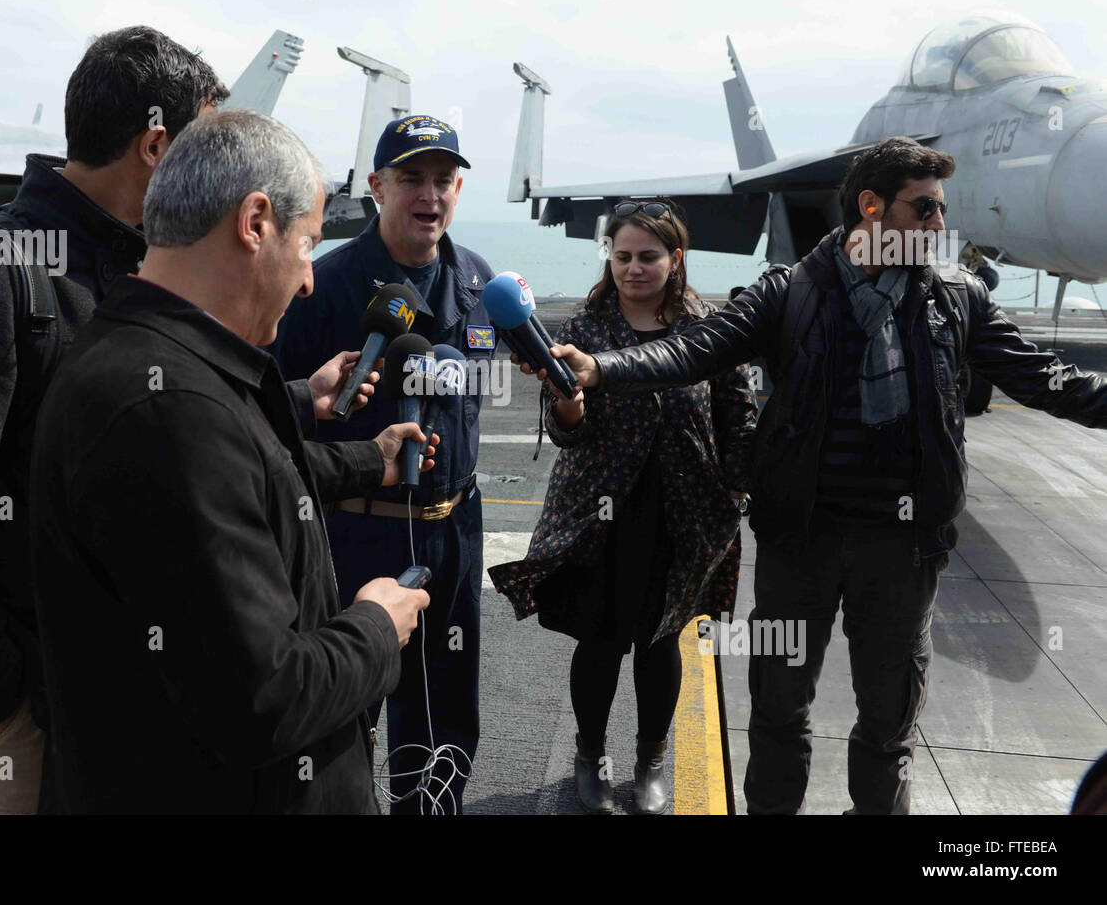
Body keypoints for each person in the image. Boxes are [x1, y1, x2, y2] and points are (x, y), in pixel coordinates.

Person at [0, 27, 372, 815]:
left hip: (109, 692)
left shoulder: (118, 267)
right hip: (25, 704)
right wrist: (2, 693)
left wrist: (299, 401)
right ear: (157, 144)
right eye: (204, 140)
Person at [523, 136, 1107, 814]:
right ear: (871, 208)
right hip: (800, 545)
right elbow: (697, 348)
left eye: (940, 209)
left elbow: (1045, 378)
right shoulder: (791, 291)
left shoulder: (958, 297)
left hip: (902, 552)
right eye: (925, 210)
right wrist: (606, 368)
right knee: (777, 717)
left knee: (889, 727)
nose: (940, 227)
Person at [29, 109, 437, 814]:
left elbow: (258, 477)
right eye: (307, 242)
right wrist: (376, 625)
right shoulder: (168, 408)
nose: (309, 279)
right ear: (255, 223)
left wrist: (371, 460)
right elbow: (264, 699)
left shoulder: (153, 361)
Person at [490, 200, 755, 814]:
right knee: (601, 640)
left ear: (676, 258)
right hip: (601, 513)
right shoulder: (583, 330)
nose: (634, 268)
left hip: (682, 514)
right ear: (608, 259)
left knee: (663, 643)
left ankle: (651, 761)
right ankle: (590, 759)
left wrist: (743, 485)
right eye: (623, 256)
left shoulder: (709, 329)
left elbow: (736, 415)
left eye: (648, 256)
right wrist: (568, 403)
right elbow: (568, 434)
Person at [272, 115, 495, 814]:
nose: (429, 195)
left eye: (442, 179)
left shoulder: (481, 283)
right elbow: (269, 420)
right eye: (411, 179)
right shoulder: (323, 285)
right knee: (341, 710)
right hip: (352, 532)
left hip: (452, 529)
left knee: (443, 710)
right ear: (376, 187)